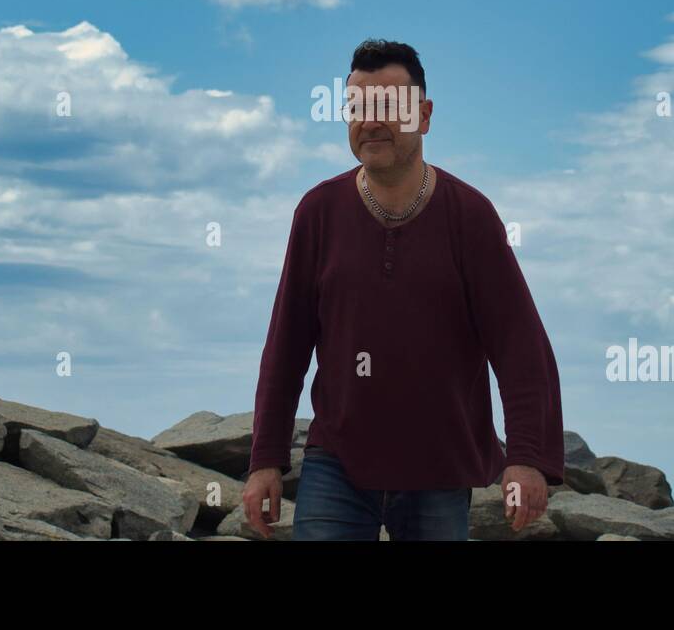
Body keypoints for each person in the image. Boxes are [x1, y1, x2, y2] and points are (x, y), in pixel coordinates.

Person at [242, 39, 565, 540]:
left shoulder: (471, 218)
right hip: (337, 465)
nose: (370, 122)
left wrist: (525, 459)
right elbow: (285, 349)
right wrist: (265, 460)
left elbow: (521, 348)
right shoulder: (317, 213)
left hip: (440, 469)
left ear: (426, 115)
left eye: (388, 106)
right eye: (357, 107)